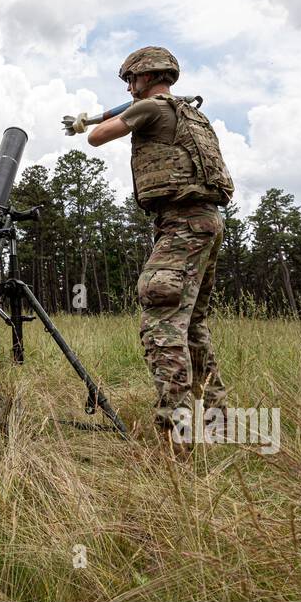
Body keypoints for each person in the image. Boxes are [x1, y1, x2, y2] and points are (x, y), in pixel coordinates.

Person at [84, 46, 235, 442]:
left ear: (147, 77)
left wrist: (94, 119)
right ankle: (217, 426)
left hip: (183, 224)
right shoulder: (189, 113)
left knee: (162, 321)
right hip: (206, 222)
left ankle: (176, 436)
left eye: (132, 80)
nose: (130, 88)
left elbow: (96, 138)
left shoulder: (151, 108)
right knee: (193, 327)